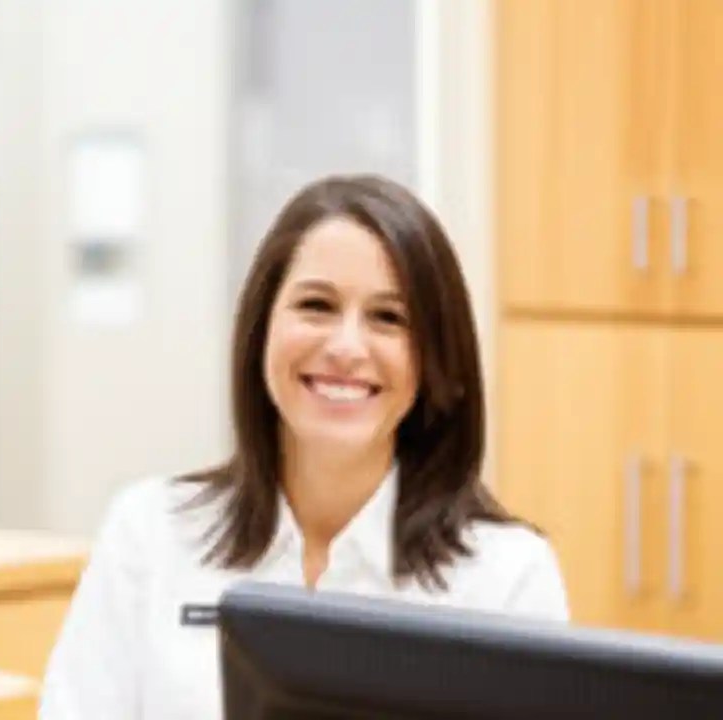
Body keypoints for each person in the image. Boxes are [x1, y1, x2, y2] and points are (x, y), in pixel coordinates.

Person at [38, 174, 569, 719]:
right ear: (262, 327)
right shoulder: (149, 532)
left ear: (434, 360)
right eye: (316, 305)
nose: (345, 346)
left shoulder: (507, 578)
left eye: (389, 318)